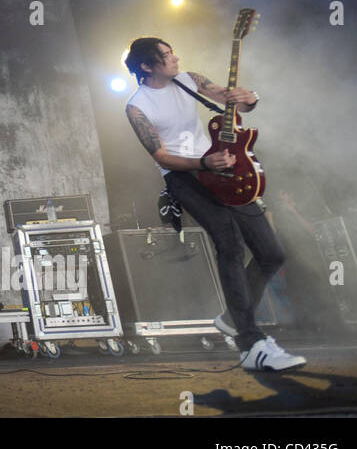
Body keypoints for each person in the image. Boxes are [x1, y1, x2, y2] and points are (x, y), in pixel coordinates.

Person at [124, 37, 305, 372]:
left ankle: (231, 317)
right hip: (186, 177)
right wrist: (203, 166)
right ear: (147, 66)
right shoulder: (137, 105)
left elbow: (233, 102)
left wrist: (251, 98)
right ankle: (251, 343)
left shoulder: (190, 79)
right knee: (231, 247)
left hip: (220, 167)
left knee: (271, 253)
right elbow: (161, 156)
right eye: (166, 56)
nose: (175, 57)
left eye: (173, 50)